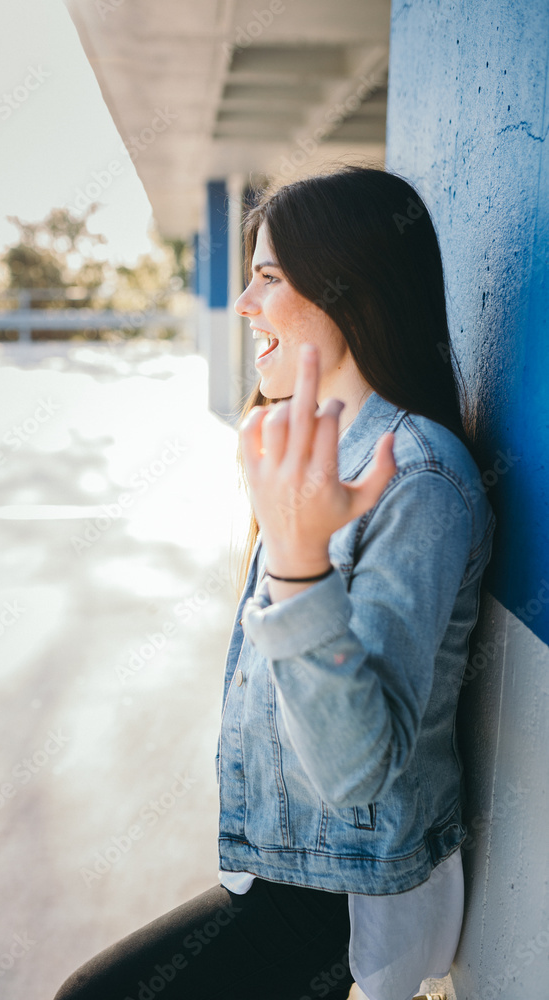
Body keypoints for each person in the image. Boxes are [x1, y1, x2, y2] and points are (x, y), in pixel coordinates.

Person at [52, 165, 496, 1000]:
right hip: (287, 864)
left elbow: (354, 772)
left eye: (268, 277)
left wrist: (296, 563)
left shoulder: (416, 477)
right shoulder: (323, 447)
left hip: (337, 892)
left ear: (345, 290)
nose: (244, 303)